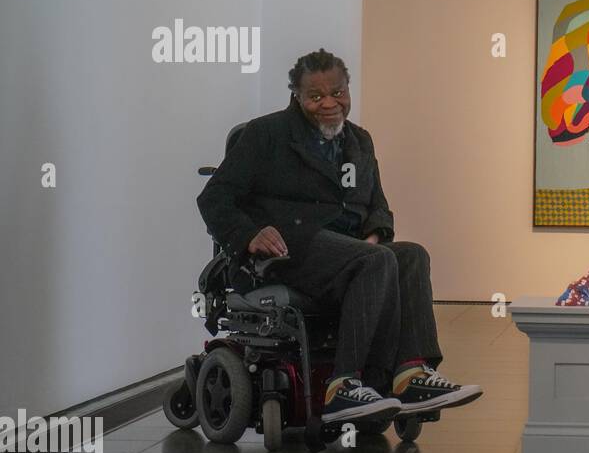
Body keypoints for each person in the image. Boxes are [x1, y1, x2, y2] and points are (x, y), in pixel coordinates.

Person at [197, 49, 482, 423]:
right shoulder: (265, 134)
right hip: (286, 251)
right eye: (316, 97)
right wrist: (250, 234)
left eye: (339, 93)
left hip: (342, 252)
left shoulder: (359, 142)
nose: (330, 104)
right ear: (297, 96)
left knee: (411, 254)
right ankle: (343, 385)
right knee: (376, 261)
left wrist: (375, 236)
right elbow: (214, 197)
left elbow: (378, 207)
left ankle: (411, 374)